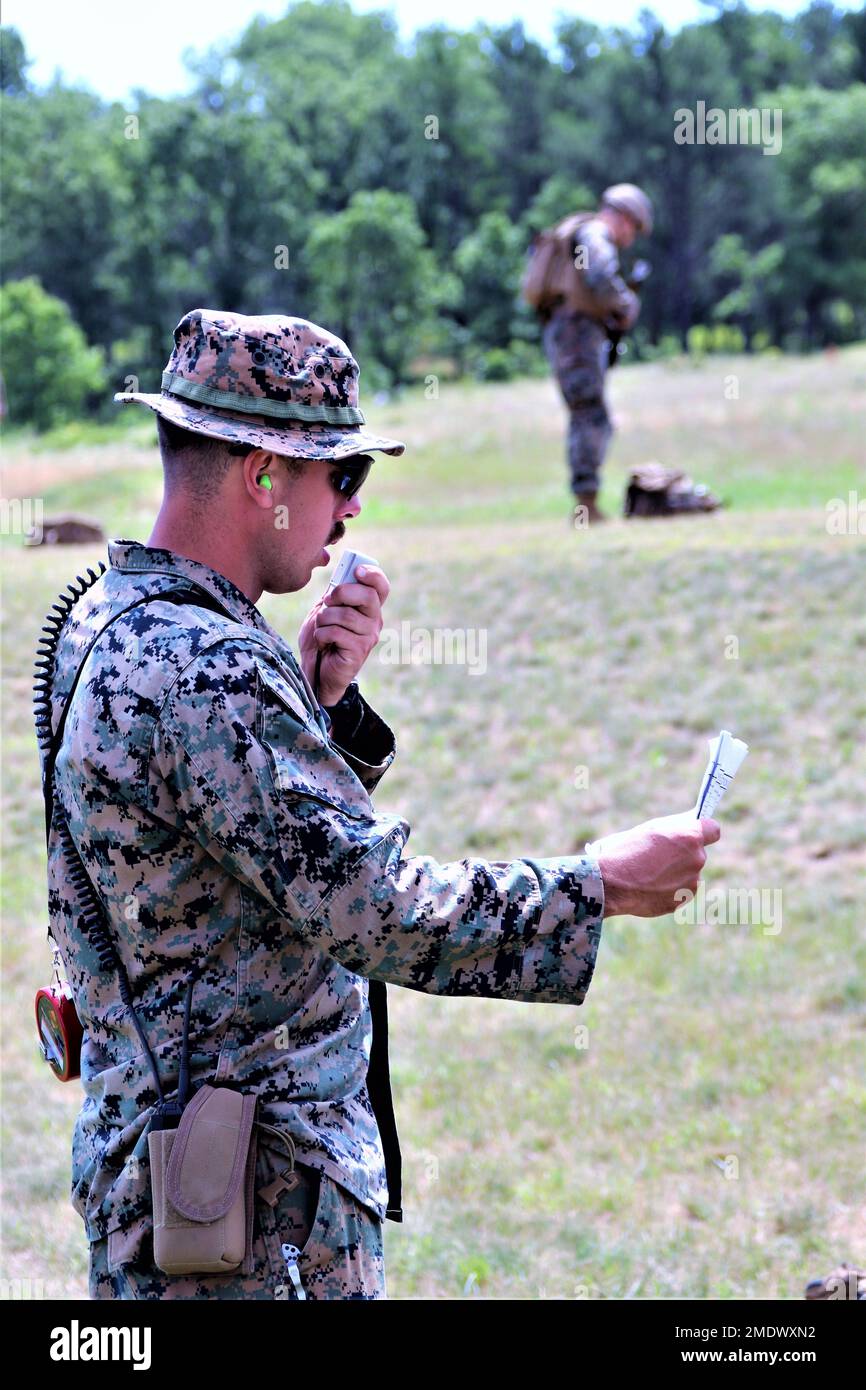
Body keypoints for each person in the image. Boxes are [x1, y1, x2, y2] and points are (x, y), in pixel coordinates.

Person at [40, 307, 718, 1301]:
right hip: (249, 1213)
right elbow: (381, 908)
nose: (350, 511)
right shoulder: (207, 667)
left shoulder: (115, 615)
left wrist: (311, 702)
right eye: (341, 474)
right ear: (262, 474)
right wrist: (597, 884)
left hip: (180, 1178)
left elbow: (225, 863)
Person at [539, 183, 653, 525]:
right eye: (634, 228)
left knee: (586, 414)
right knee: (591, 415)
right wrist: (625, 303)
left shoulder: (582, 232)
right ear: (624, 217)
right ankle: (585, 507)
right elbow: (600, 275)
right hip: (578, 333)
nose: (631, 237)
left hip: (569, 331)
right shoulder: (596, 233)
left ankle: (585, 504)